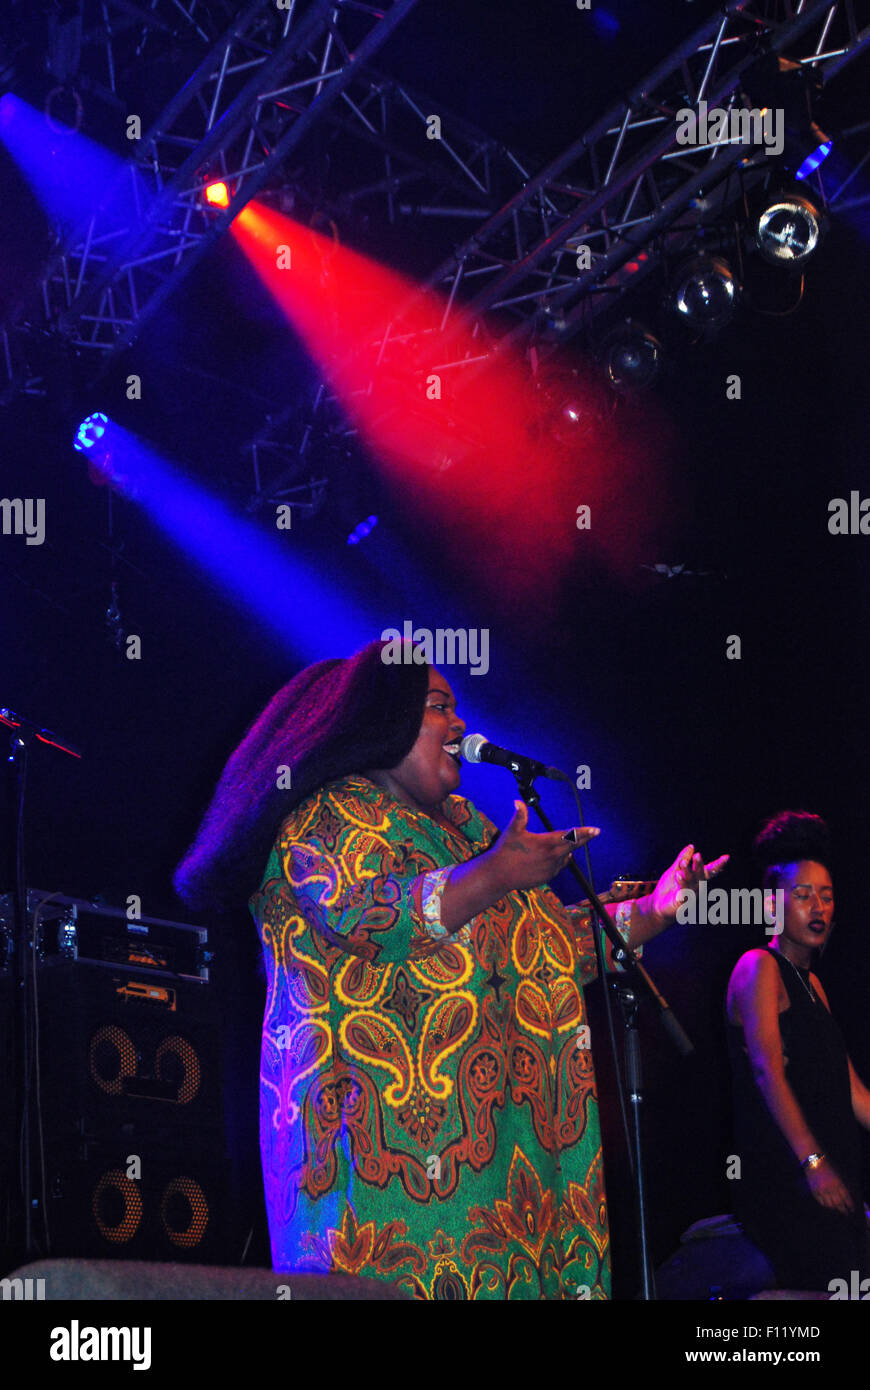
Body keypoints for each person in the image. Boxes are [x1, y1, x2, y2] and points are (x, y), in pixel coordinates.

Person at [175, 638, 726, 1299]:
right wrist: (494, 873)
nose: (459, 725)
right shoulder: (327, 811)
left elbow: (550, 946)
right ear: (381, 715)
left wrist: (658, 910)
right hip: (385, 1175)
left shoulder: (463, 829)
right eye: (439, 706)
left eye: (457, 707)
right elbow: (367, 913)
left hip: (511, 1177)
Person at [726, 810, 870, 1291]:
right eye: (803, 895)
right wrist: (814, 1165)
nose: (819, 907)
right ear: (771, 907)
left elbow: (852, 1092)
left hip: (835, 1171)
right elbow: (767, 1071)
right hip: (790, 1173)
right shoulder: (758, 967)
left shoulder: (815, 986)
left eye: (827, 897)